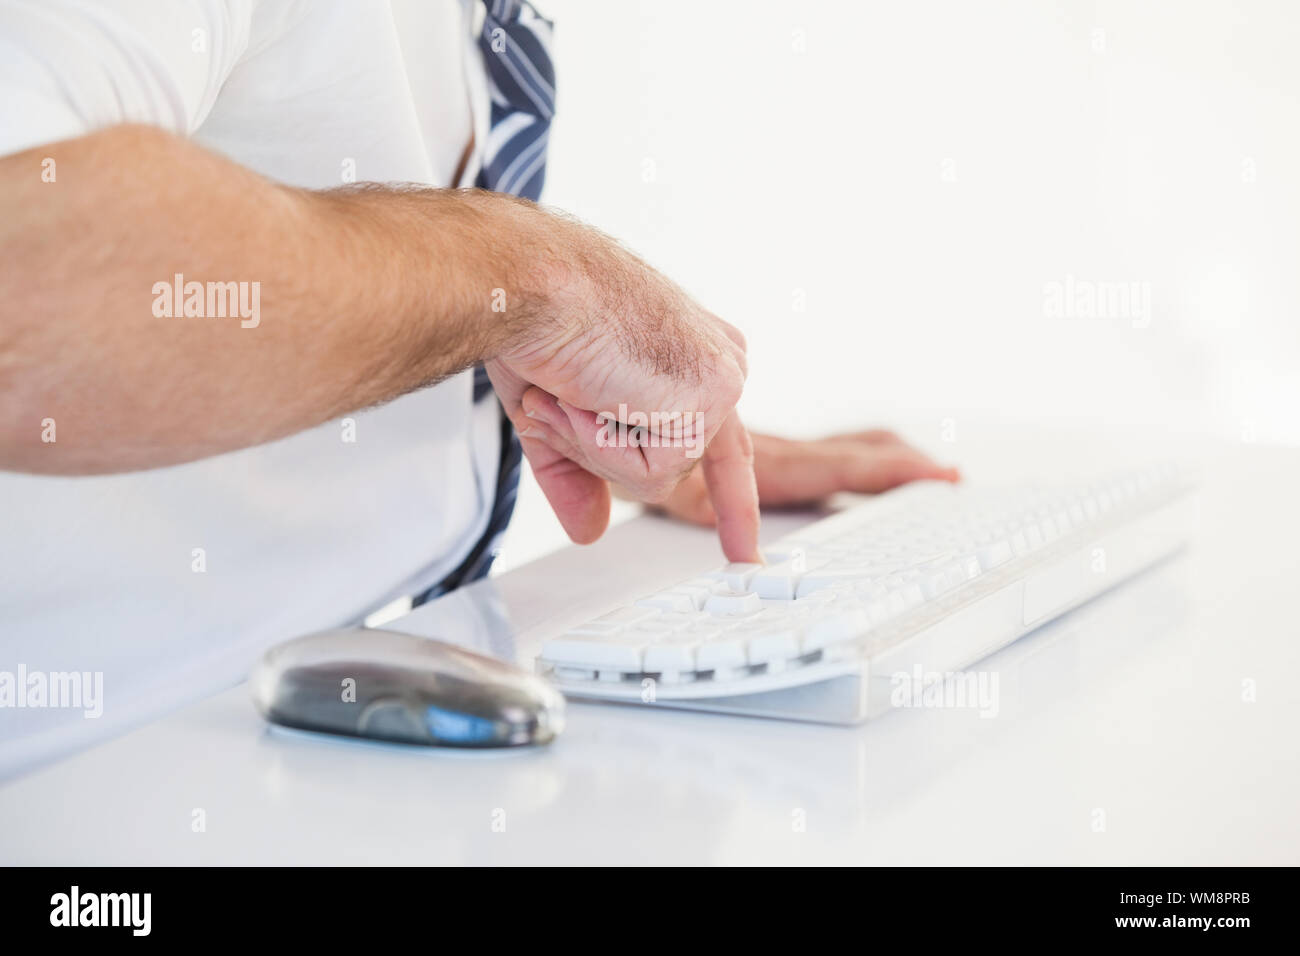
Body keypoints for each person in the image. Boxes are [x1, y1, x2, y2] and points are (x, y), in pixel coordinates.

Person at [0, 0, 956, 769]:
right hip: (95, 779)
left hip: (344, 716)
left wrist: (599, 421)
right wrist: (535, 281)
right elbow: (24, 285)